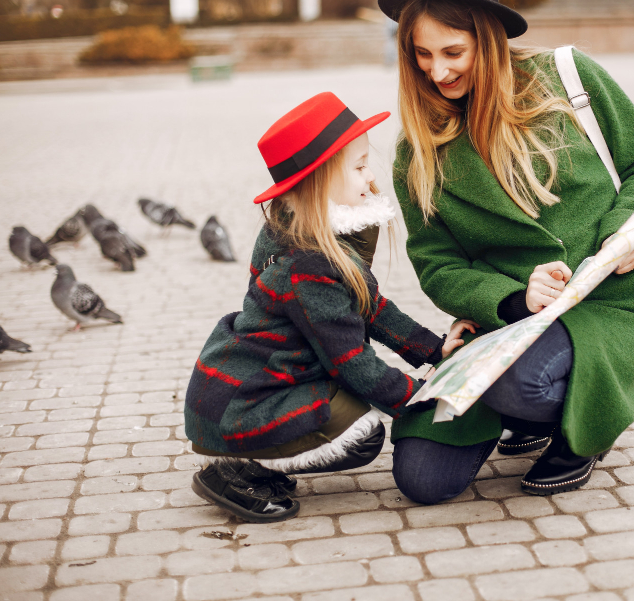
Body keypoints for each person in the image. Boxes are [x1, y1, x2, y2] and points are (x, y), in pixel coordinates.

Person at [377, 0, 634, 504]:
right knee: (423, 480)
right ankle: (536, 408)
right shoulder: (415, 150)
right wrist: (512, 300)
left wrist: (625, 235)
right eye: (421, 54)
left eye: (452, 53)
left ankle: (581, 428)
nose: (436, 73)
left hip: (601, 302)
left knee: (522, 382)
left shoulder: (568, 76)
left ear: (486, 43)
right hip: (505, 323)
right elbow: (437, 265)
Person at [184, 92, 473, 522]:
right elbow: (351, 360)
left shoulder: (303, 230)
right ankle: (234, 470)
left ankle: (259, 460)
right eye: (358, 167)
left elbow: (369, 306)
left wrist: (433, 350)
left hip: (257, 382)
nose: (369, 176)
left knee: (358, 406)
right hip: (245, 401)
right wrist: (419, 396)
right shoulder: (310, 263)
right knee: (364, 434)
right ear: (318, 181)